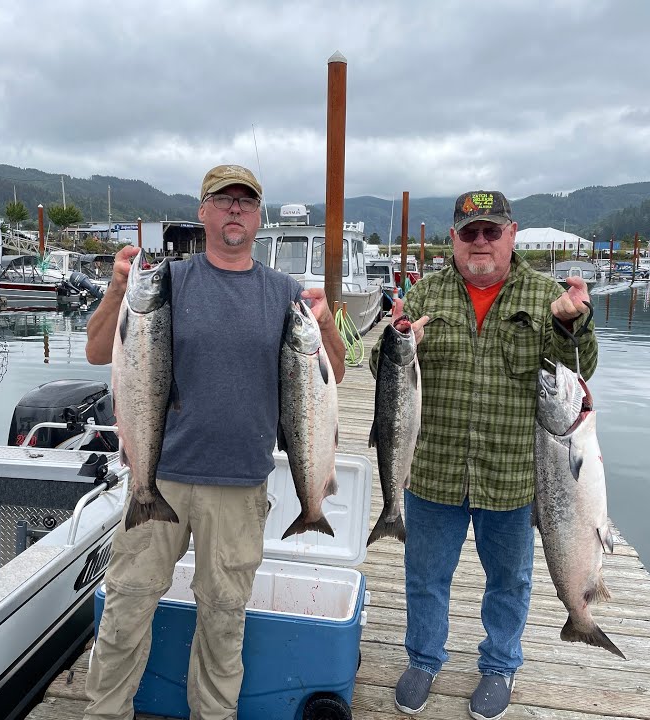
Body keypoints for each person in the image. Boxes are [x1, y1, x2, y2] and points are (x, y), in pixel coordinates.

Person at [80, 164, 347, 720]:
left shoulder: (285, 294)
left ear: (258, 217)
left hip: (240, 484)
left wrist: (324, 324)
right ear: (202, 212)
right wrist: (114, 291)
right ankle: (104, 712)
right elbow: (100, 351)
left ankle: (215, 715)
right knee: (127, 604)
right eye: (222, 200)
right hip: (160, 475)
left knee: (225, 617)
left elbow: (334, 375)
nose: (234, 210)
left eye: (245, 202)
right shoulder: (165, 281)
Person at [370, 190, 597, 720]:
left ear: (511, 235)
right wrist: (395, 337)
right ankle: (424, 658)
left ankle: (499, 665)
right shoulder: (425, 296)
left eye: (490, 231)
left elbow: (582, 372)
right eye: (469, 232)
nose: (480, 242)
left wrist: (570, 325)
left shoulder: (548, 297)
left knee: (510, 581)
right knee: (425, 577)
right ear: (453, 239)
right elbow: (387, 375)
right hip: (432, 473)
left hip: (514, 476)